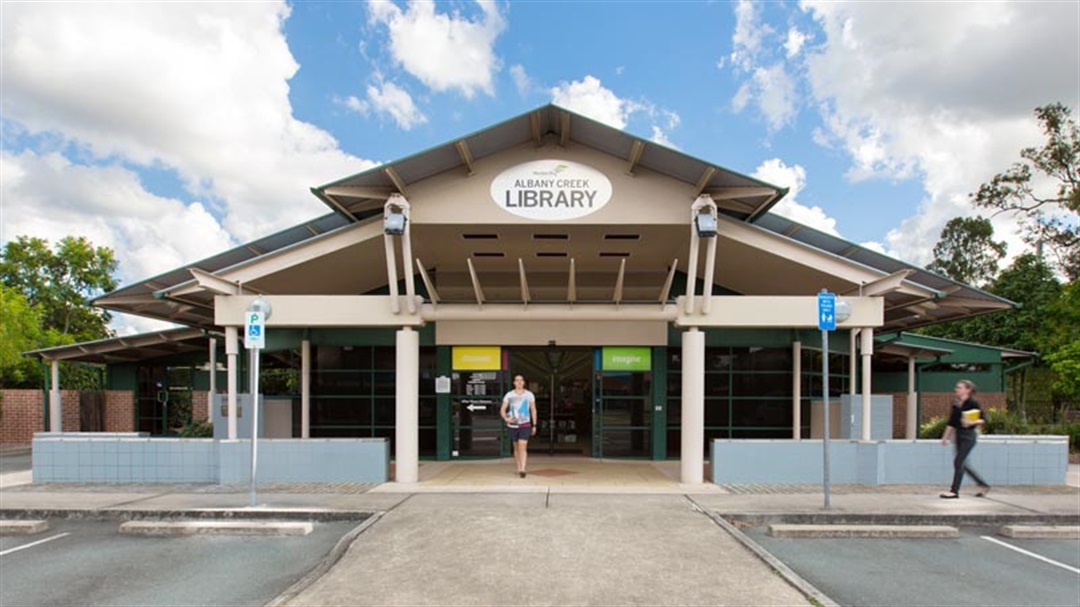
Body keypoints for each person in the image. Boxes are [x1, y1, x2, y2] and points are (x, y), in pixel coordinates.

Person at [940, 379, 991, 499]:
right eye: (956, 387)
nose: (956, 389)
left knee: (958, 462)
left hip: (969, 435)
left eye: (959, 387)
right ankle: (983, 485)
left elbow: (984, 418)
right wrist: (945, 437)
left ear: (968, 390)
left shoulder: (973, 403)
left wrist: (972, 421)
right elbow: (951, 422)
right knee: (962, 463)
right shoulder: (956, 404)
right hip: (959, 435)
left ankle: (954, 491)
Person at [500, 374, 537, 478]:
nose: (519, 382)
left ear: (524, 382)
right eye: (517, 380)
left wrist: (534, 424)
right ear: (514, 383)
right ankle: (519, 467)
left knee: (522, 445)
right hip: (513, 425)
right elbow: (503, 409)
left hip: (525, 424)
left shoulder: (529, 395)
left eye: (521, 380)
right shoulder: (509, 395)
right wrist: (506, 418)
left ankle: (523, 468)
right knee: (516, 447)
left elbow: (533, 410)